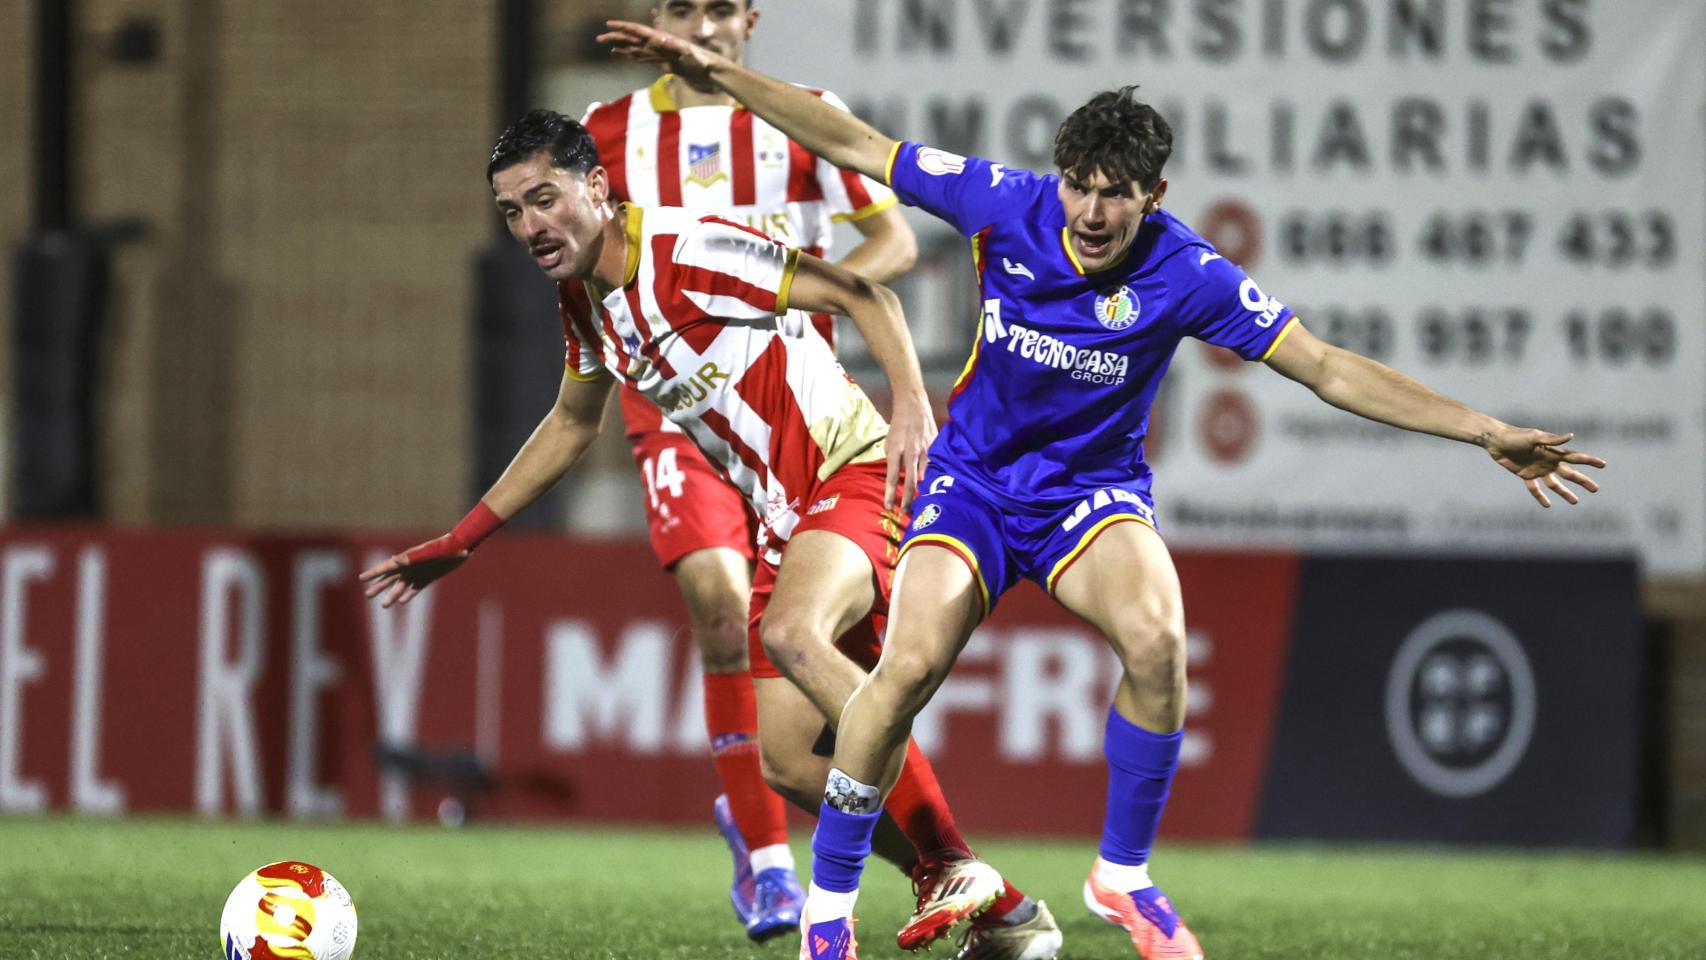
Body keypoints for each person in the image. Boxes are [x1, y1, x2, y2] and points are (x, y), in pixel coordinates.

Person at [597, 21, 1609, 960]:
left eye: (1115, 193)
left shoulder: (1188, 272)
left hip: (1089, 495)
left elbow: (1327, 367)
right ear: (1059, 178)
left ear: (1152, 196)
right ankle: (829, 917)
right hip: (974, 487)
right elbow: (860, 146)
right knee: (900, 672)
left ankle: (1120, 877)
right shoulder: (1005, 202)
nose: (1090, 212)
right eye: (1079, 186)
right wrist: (717, 74)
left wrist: (1482, 429)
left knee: (1159, 642)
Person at [358, 111, 1062, 960]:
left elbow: (861, 292)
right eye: (512, 212)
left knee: (792, 634)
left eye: (544, 199)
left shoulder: (689, 251)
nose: (531, 226)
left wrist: (914, 403)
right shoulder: (581, 298)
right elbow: (571, 424)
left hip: (858, 469)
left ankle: (948, 861)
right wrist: (463, 537)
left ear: (596, 186)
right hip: (782, 515)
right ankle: (1008, 915)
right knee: (791, 763)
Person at [576, 0, 916, 940]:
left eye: (720, 6)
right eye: (683, 5)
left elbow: (894, 241)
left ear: (750, 19)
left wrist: (805, 280)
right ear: (657, 16)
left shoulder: (798, 111)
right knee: (723, 611)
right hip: (675, 405)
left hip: (794, 405)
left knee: (802, 637)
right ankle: (768, 862)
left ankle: (933, 855)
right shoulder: (608, 134)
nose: (702, 23)